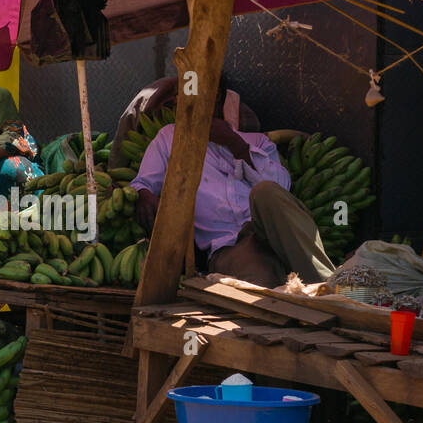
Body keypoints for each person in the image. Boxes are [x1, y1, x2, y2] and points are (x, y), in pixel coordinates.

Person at [132, 82, 334, 287]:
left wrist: (235, 144)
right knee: (263, 283)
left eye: (198, 92)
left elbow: (281, 188)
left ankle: (329, 288)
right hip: (229, 246)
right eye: (181, 95)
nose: (184, 100)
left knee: (265, 191)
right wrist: (143, 193)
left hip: (272, 229)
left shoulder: (256, 142)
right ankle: (318, 293)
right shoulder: (170, 137)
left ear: (218, 98)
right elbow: (142, 183)